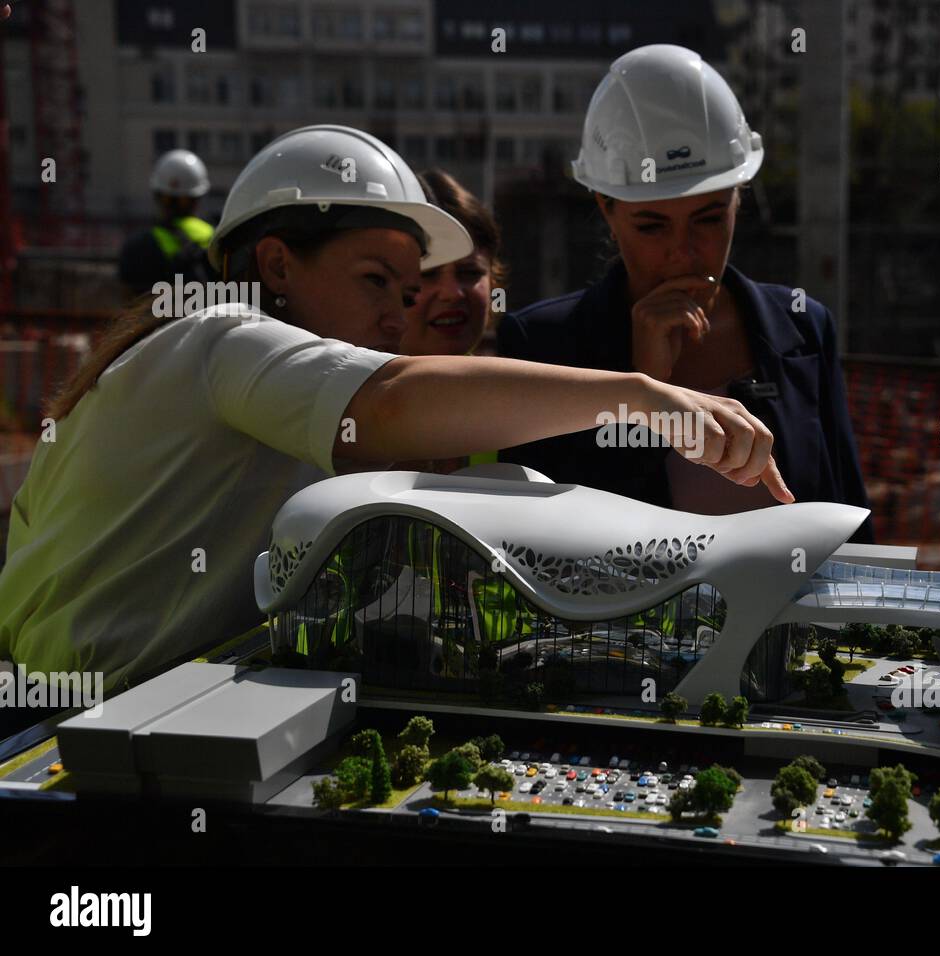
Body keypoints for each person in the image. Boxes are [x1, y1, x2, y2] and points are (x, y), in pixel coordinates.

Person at [0, 124, 791, 700]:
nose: (396, 314)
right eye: (377, 280)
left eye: (406, 292)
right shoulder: (219, 341)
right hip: (64, 748)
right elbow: (389, 397)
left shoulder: (233, 378)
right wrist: (640, 396)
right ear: (277, 263)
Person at [495, 44, 872, 542]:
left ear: (739, 199)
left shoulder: (803, 327)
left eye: (709, 219)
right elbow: (542, 542)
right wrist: (641, 389)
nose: (683, 252)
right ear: (606, 209)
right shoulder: (544, 346)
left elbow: (848, 515)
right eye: (652, 226)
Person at [394, 166, 503, 472]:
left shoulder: (522, 401)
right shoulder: (341, 402)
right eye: (427, 275)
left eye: (470, 274)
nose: (452, 293)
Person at [117, 149, 218, 295]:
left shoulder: (137, 246)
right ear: (198, 198)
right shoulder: (216, 239)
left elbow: (128, 298)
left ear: (157, 196)